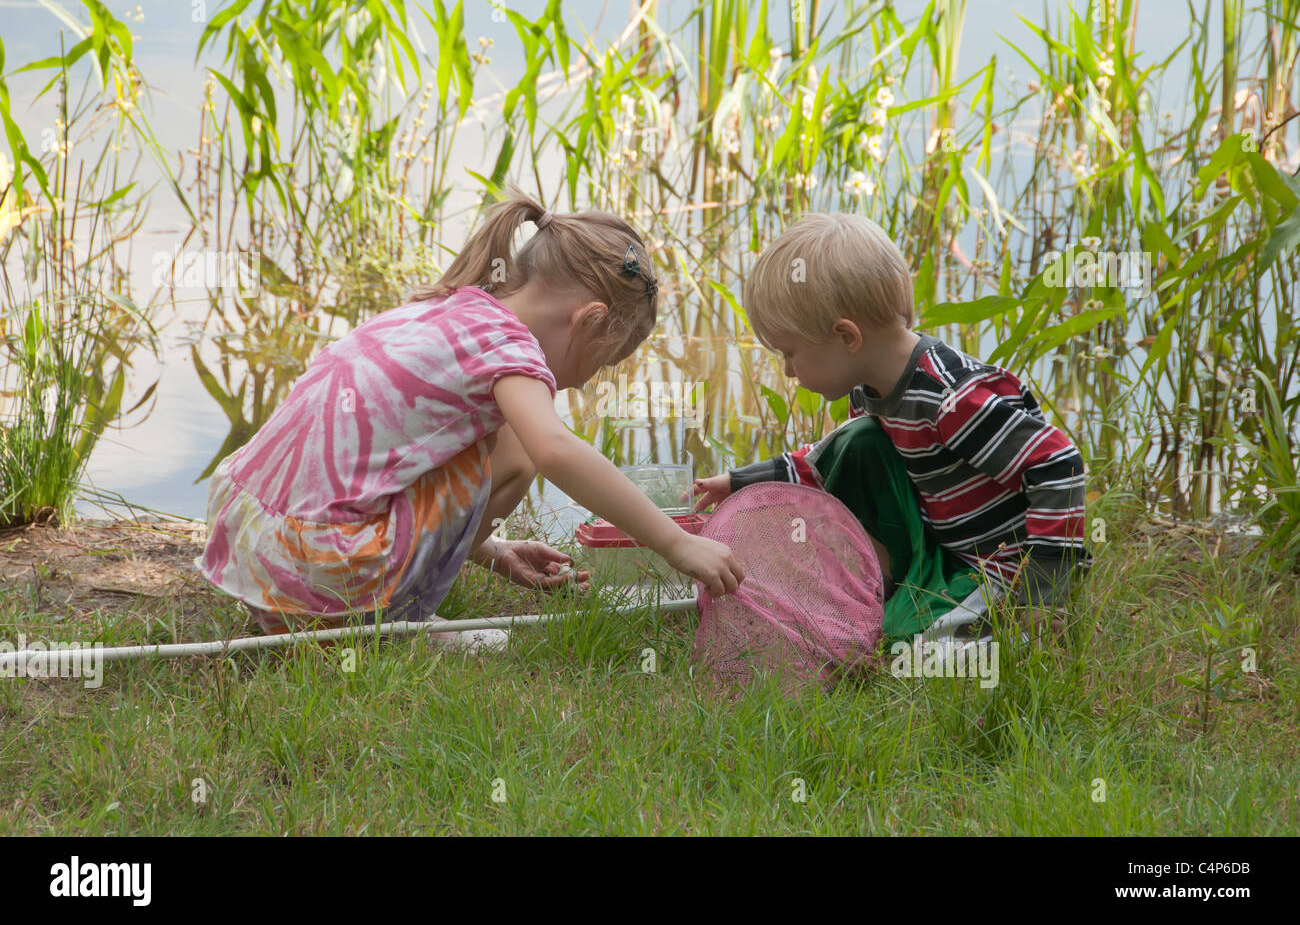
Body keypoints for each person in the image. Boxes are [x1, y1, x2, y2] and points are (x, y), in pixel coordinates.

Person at [195, 188, 744, 650]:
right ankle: (378, 624)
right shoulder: (509, 348)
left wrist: (492, 552)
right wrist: (677, 543)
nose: (583, 383)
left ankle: (314, 611)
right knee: (522, 448)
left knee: (499, 431)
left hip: (254, 535)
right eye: (601, 362)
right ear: (589, 319)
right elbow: (554, 450)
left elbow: (389, 459)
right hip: (317, 565)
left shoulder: (452, 307)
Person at [691, 213, 1091, 650]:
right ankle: (890, 586)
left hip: (1001, 568)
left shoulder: (949, 400)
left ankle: (991, 621)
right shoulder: (869, 390)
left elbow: (1058, 464)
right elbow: (823, 458)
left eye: (790, 353)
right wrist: (737, 482)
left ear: (846, 336)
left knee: (912, 650)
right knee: (858, 440)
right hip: (940, 549)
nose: (788, 371)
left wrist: (1045, 585)